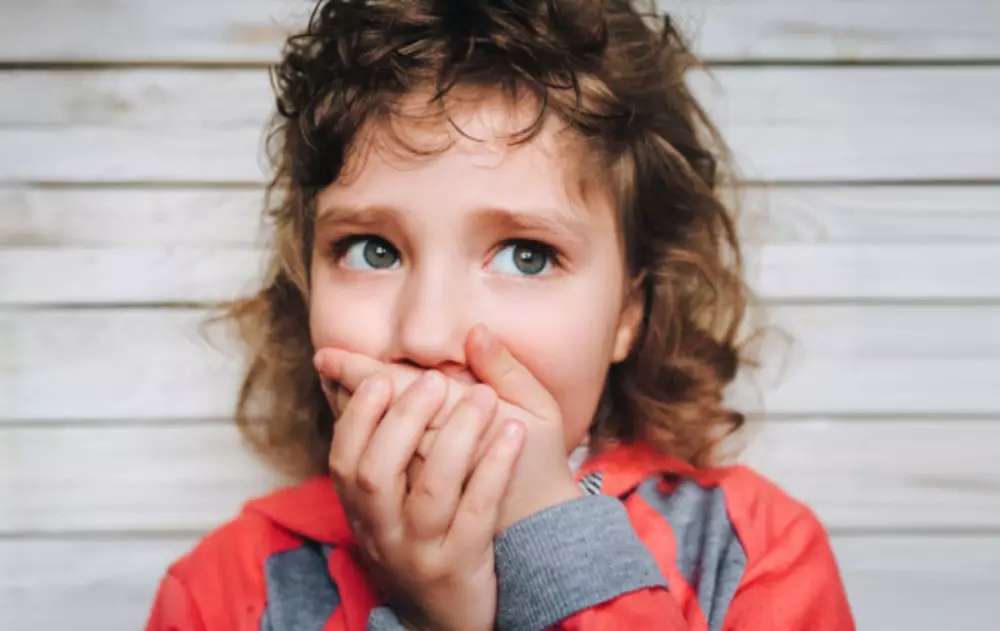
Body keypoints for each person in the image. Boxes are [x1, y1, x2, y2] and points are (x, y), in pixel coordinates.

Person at [145, 0, 854, 629]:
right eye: (372, 249)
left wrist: (546, 550)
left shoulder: (756, 553)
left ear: (627, 313)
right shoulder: (219, 595)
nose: (426, 335)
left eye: (525, 256)